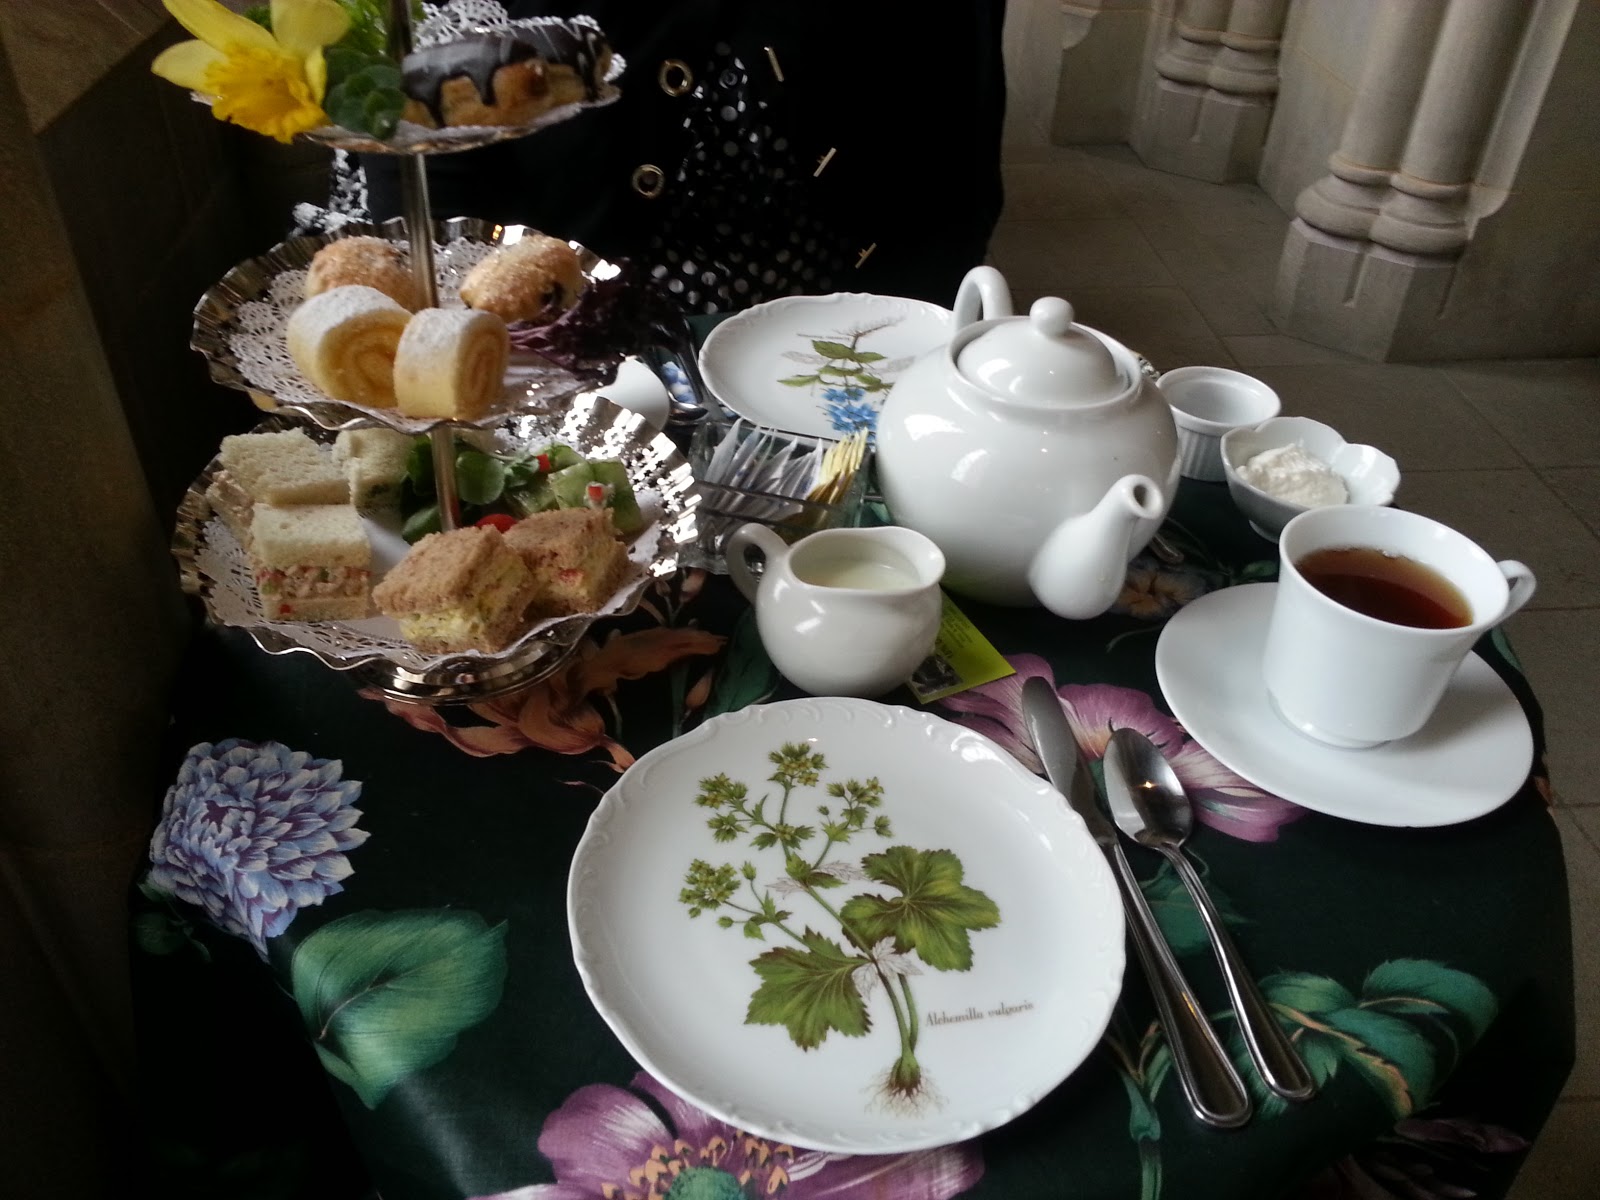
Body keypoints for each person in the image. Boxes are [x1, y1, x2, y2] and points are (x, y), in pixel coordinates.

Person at [362, 1, 1007, 313]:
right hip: (544, 348)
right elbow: (428, 197)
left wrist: (885, 372)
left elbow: (947, 189)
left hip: (830, 353)